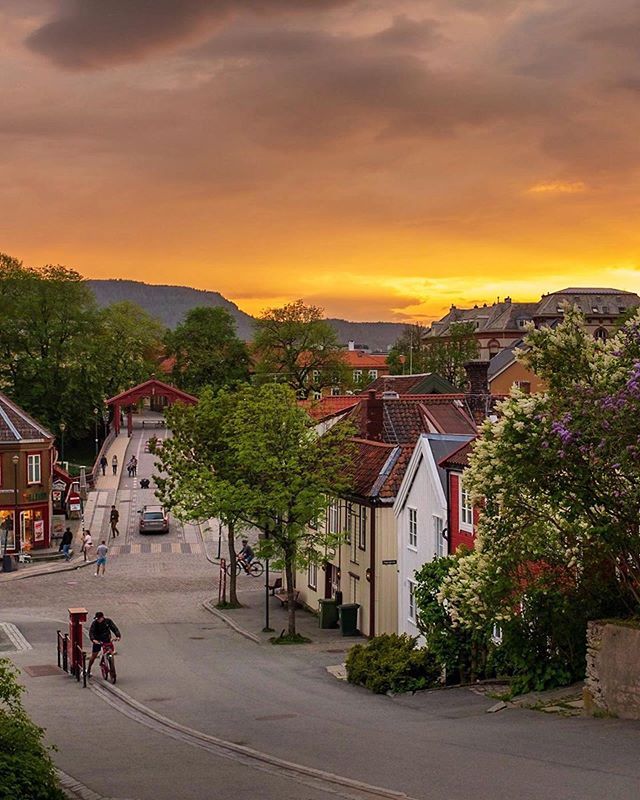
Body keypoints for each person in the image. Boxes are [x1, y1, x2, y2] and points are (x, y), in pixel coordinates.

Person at [86, 611, 121, 676]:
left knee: (110, 652)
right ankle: (88, 669)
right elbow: (91, 632)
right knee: (94, 655)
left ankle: (111, 667)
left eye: (99, 619)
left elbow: (114, 628)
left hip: (107, 639)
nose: (98, 620)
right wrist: (93, 640)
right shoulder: (94, 624)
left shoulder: (108, 621)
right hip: (98, 640)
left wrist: (118, 636)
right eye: (97, 619)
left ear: (102, 617)